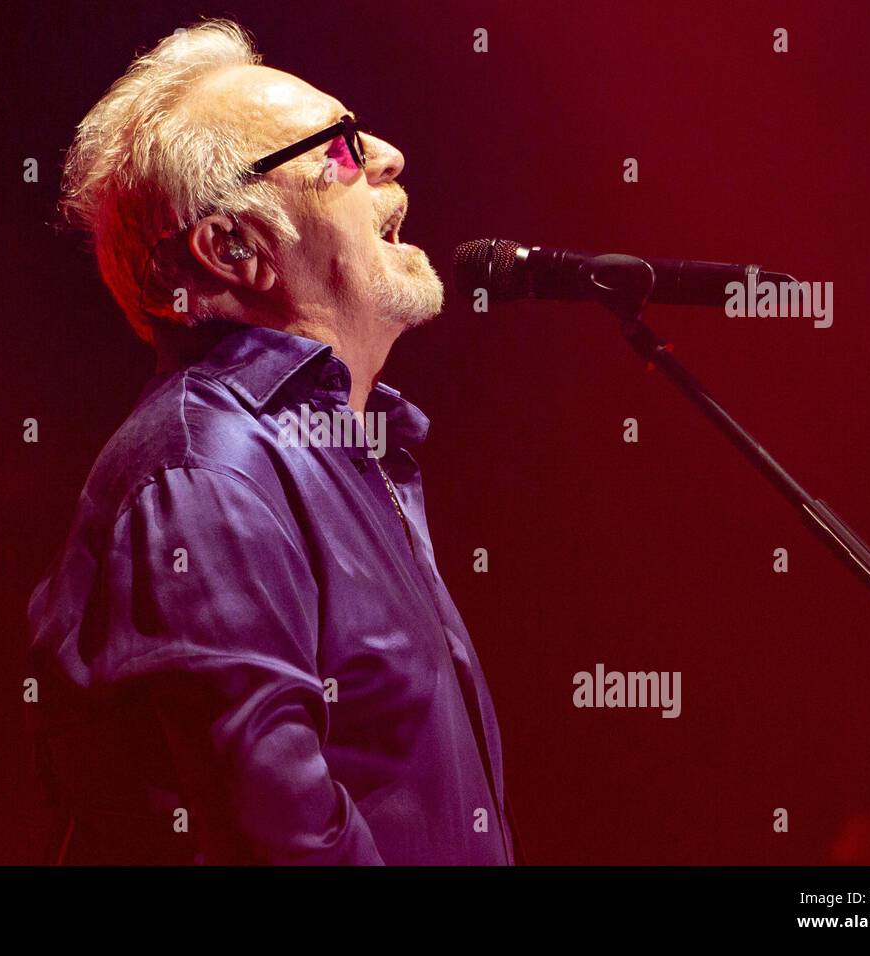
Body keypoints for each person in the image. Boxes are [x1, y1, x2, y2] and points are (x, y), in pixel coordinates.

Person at [28, 18, 519, 864]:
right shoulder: (204, 474)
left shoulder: (336, 453)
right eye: (339, 147)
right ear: (233, 248)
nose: (389, 155)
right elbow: (281, 843)